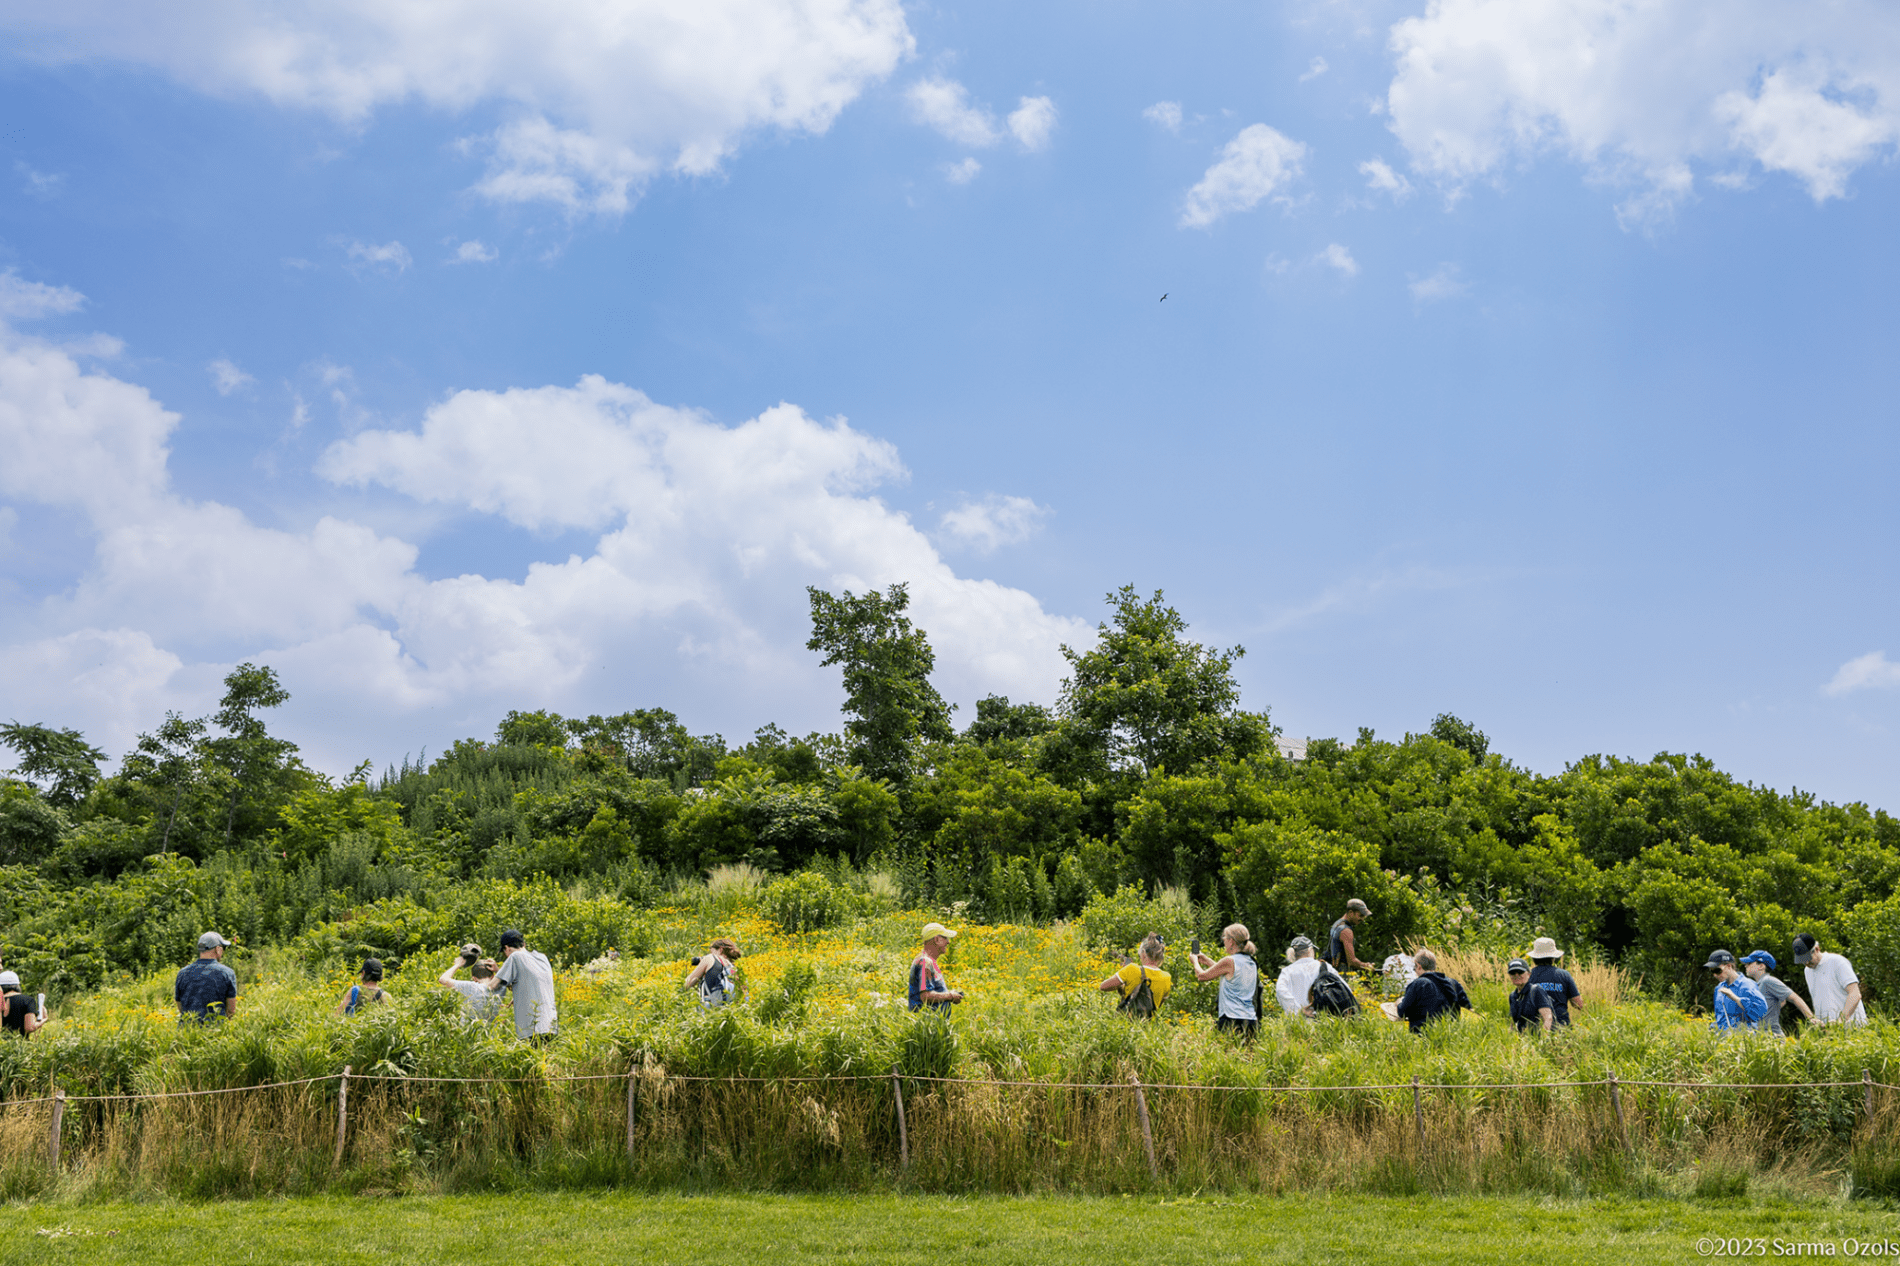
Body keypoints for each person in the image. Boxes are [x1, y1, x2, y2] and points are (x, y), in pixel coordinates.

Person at [486, 928, 558, 1041]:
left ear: (507, 948)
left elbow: (490, 987)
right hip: (550, 1026)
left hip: (531, 1029)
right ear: (523, 944)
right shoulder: (542, 958)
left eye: (504, 952)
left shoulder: (515, 957)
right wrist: (498, 971)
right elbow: (528, 981)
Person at [1191, 923, 1260, 1039]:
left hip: (1231, 1020)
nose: (1223, 940)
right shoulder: (1251, 962)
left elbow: (1202, 976)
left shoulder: (1229, 961)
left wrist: (1195, 961)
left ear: (1231, 941)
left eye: (1224, 937)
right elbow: (1229, 974)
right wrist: (1207, 961)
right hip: (1251, 1021)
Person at [1793, 934, 1868, 1028]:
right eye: (1803, 960)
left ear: (1817, 949)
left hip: (1853, 1027)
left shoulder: (1837, 962)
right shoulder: (1807, 971)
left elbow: (1855, 994)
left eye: (1808, 958)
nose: (1806, 963)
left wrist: (1841, 1020)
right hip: (1829, 1031)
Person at [1393, 949, 1472, 1033]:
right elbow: (1469, 1009)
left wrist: (1399, 1003)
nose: (1415, 971)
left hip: (1422, 1035)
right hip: (1451, 1035)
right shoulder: (1453, 983)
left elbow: (1402, 1012)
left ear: (1418, 966)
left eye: (1414, 968)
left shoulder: (1418, 984)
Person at [1097, 933, 1171, 1018]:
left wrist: (1123, 977)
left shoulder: (1132, 968)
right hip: (1148, 1028)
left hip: (1127, 1024)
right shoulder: (1167, 977)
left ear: (1143, 952)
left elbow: (1103, 986)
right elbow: (1156, 1004)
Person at [1740, 950, 1810, 1038]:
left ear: (1761, 966)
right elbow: (1782, 1001)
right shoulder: (1757, 985)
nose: (1746, 966)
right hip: (1761, 1037)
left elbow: (1794, 997)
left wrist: (1811, 1018)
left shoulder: (1768, 981)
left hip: (1773, 1037)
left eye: (1749, 963)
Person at [175, 931, 239, 1024]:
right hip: (215, 1032)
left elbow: (180, 1006)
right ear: (217, 949)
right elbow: (231, 1011)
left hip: (187, 1032)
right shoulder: (227, 973)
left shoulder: (182, 973)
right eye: (222, 948)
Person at [1705, 950, 1768, 1033]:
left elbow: (1761, 1011)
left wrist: (1736, 999)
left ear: (1728, 966)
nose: (1715, 975)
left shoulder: (1747, 985)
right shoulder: (1719, 988)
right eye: (1712, 972)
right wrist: (1713, 1027)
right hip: (1722, 1041)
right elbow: (1721, 1016)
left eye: (1717, 971)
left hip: (1742, 1041)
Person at [1525, 937, 1582, 1027]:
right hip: (1561, 1028)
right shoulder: (1564, 975)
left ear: (1534, 958)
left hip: (1536, 1030)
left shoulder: (1527, 976)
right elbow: (1578, 1004)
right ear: (1553, 958)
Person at [909, 922, 965, 1012]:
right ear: (937, 939)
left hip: (933, 1023)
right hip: (927, 1023)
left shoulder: (929, 961)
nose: (948, 942)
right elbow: (925, 996)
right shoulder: (925, 962)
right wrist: (950, 996)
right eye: (945, 938)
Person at [439, 944, 502, 1022]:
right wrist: (498, 971)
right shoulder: (499, 991)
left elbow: (443, 979)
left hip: (468, 1033)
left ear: (474, 979)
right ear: (492, 976)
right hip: (490, 1033)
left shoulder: (471, 987)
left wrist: (458, 964)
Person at [684, 938, 742, 1009]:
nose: (710, 954)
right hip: (731, 1011)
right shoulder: (734, 968)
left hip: (712, 1011)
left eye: (712, 951)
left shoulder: (710, 958)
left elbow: (687, 984)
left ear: (720, 950)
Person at [1275, 936, 1324, 1017]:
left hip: (1297, 1023)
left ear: (1292, 953)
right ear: (1310, 950)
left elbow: (1280, 991)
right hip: (1321, 1019)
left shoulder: (1287, 971)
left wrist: (1299, 1011)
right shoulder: (1323, 966)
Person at [1506, 959, 1553, 1033]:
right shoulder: (1513, 996)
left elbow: (1548, 1018)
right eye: (1512, 973)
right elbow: (1514, 1023)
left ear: (1529, 974)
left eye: (1520, 972)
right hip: (1521, 1041)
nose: (1516, 975)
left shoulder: (1536, 991)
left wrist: (1543, 1041)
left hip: (1536, 1040)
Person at [1327, 899, 1374, 972]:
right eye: (1361, 915)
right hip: (1341, 972)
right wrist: (1367, 966)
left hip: (1331, 970)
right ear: (1351, 912)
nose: (1362, 919)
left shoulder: (1337, 924)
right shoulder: (1346, 931)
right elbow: (1352, 961)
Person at [0, 971, 43, 1038]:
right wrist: (44, 1019)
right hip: (21, 1046)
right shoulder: (28, 1000)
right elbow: (29, 1028)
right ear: (17, 985)